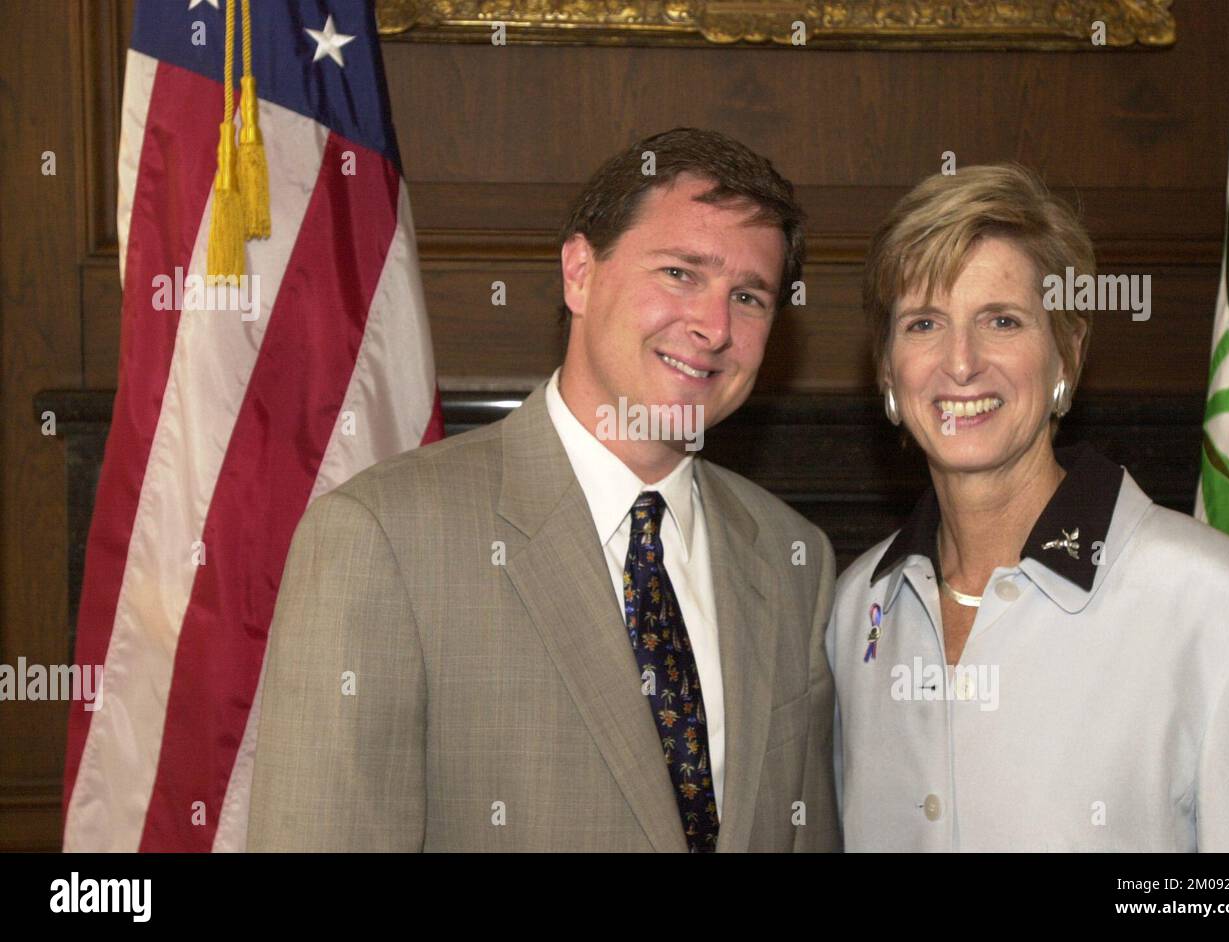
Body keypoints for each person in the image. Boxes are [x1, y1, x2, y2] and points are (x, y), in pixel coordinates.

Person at [248, 127, 841, 852]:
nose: (713, 327)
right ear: (580, 274)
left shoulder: (792, 560)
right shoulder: (381, 538)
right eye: (681, 273)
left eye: (748, 296)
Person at [829, 163, 1229, 852]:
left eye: (1002, 320)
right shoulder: (856, 611)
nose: (961, 363)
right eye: (924, 322)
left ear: (1066, 355)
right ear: (886, 370)